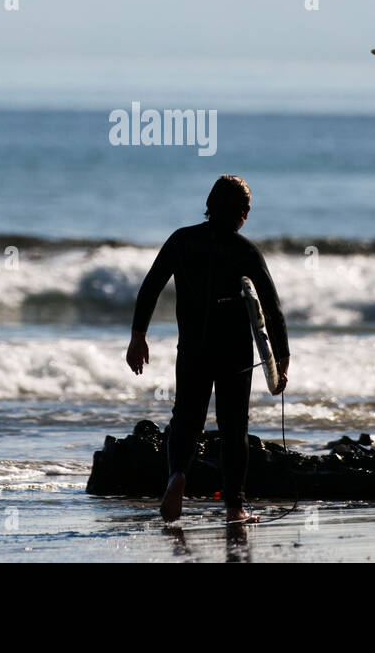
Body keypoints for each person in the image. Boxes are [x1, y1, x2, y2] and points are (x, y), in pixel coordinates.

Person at [127, 174, 290, 525]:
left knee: (185, 419)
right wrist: (282, 358)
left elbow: (151, 286)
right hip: (233, 350)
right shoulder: (245, 250)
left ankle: (177, 476)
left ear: (210, 205)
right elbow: (271, 308)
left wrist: (138, 336)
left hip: (193, 347)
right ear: (243, 213)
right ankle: (235, 506)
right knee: (234, 427)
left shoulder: (182, 241)